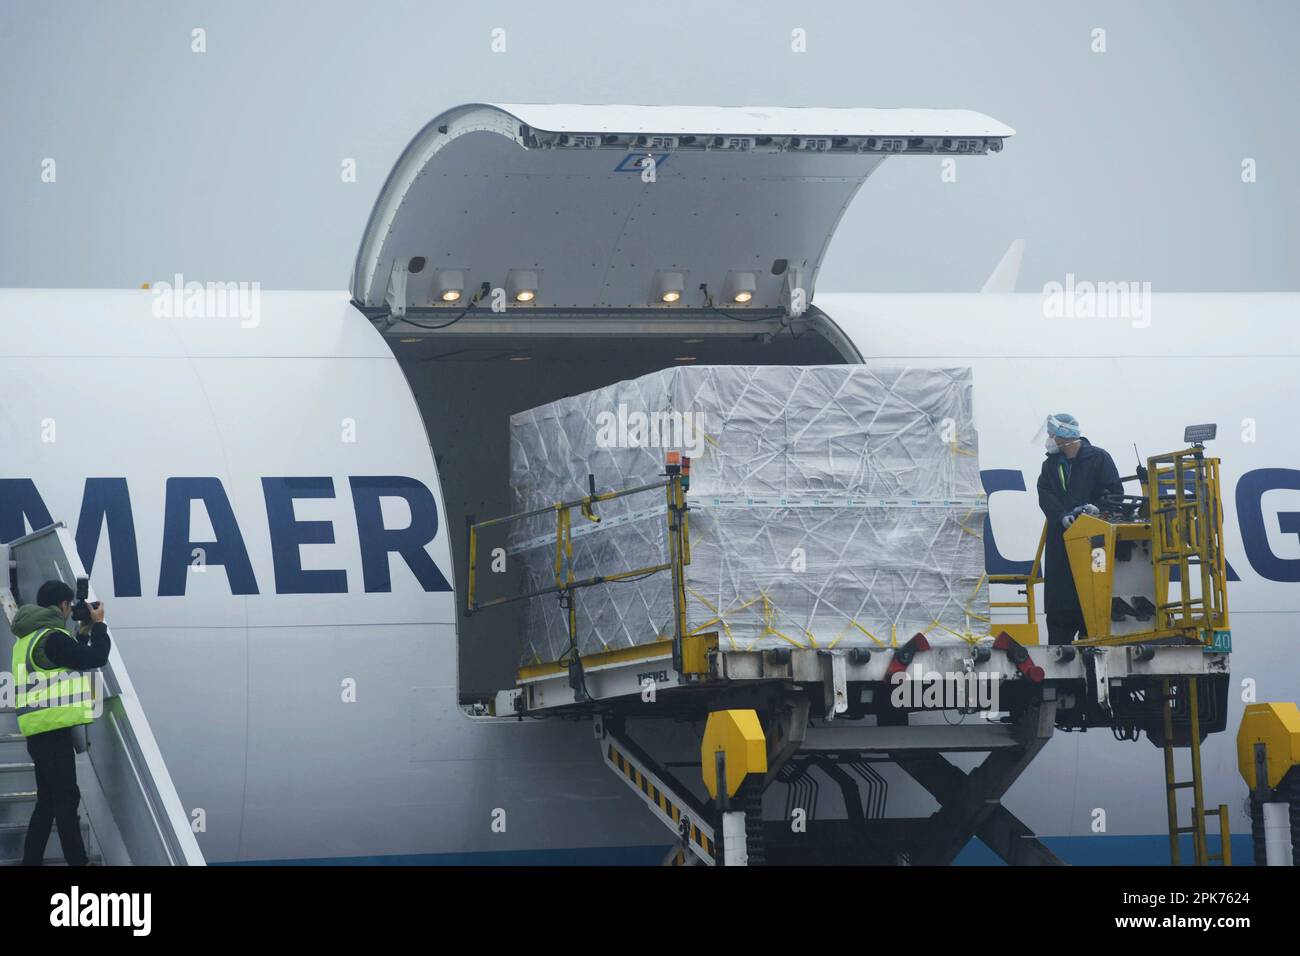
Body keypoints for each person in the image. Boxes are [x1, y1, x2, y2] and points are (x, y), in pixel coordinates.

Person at [9, 579, 111, 865]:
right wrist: (100, 625)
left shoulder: (28, 639)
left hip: (39, 732)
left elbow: (60, 664)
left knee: (48, 802)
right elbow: (96, 657)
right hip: (53, 732)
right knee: (66, 800)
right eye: (70, 607)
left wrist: (80, 634)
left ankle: (31, 862)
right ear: (64, 605)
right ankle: (78, 862)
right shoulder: (52, 636)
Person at [1036, 413, 1123, 645]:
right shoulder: (1050, 466)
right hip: (1061, 546)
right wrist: (1062, 516)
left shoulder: (1098, 459)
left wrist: (1099, 509)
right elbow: (1045, 496)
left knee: (1092, 606)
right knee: (1060, 614)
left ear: (1065, 437)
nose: (1049, 439)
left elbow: (1115, 493)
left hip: (1094, 545)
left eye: (1052, 435)